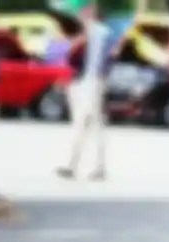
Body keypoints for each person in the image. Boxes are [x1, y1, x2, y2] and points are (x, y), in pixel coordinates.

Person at [56, 0, 111, 180]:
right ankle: (98, 166)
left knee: (82, 122)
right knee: (92, 125)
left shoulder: (102, 32)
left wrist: (103, 79)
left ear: (92, 11)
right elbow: (68, 57)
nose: (82, 14)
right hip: (78, 82)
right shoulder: (78, 34)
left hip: (93, 82)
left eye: (85, 10)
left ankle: (71, 164)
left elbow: (107, 58)